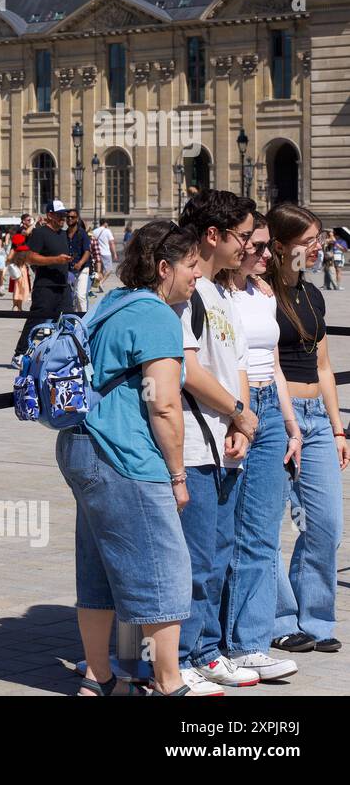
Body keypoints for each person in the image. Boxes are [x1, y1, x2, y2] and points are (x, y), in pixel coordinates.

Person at [59, 220, 198, 696]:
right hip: (125, 452)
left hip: (81, 445)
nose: (196, 277)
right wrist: (178, 475)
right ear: (165, 268)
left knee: (97, 566)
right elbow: (163, 403)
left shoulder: (113, 301)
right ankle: (168, 682)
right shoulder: (158, 316)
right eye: (191, 267)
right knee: (163, 568)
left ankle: (98, 677)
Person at [173, 189, 261, 693]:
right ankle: (183, 654)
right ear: (214, 235)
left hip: (226, 438)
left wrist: (240, 421)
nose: (248, 247)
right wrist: (237, 414)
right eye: (243, 237)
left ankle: (206, 649)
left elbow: (239, 365)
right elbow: (188, 368)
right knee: (196, 558)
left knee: (220, 551)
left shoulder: (224, 292)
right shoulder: (190, 290)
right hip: (194, 441)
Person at [217, 212, 303, 681]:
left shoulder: (260, 294)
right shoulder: (215, 292)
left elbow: (273, 362)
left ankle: (250, 642)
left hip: (269, 407)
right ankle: (220, 644)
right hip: (237, 409)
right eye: (259, 245)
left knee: (264, 533)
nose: (268, 255)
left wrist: (291, 425)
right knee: (227, 532)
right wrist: (239, 416)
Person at [267, 203, 348, 655]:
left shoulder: (313, 295)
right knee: (266, 526)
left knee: (326, 525)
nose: (317, 248)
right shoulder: (262, 295)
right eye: (307, 241)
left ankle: (315, 619)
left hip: (316, 417)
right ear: (280, 247)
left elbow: (324, 365)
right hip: (278, 417)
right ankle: (280, 618)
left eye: (318, 239)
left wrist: (338, 429)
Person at [11, 200, 74, 367]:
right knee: (36, 321)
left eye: (64, 215)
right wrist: (55, 259)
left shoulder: (63, 234)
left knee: (69, 322)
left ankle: (63, 356)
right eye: (60, 215)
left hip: (63, 286)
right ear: (50, 215)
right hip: (45, 287)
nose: (63, 218)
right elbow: (29, 257)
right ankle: (20, 354)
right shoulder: (40, 233)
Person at [65, 210, 92, 313]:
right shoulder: (64, 234)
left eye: (72, 217)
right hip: (69, 268)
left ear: (77, 219)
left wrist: (80, 263)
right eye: (68, 217)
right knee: (71, 296)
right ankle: (74, 319)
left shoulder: (83, 234)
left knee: (81, 296)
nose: (70, 219)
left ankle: (84, 319)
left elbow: (87, 251)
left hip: (83, 268)